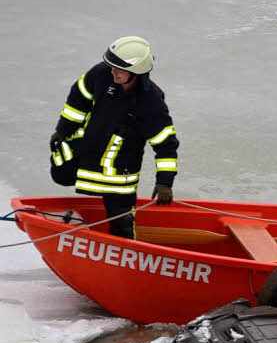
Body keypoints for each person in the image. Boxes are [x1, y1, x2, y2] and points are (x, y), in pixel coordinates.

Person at [49, 36, 179, 239]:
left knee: (122, 225)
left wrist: (164, 183)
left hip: (120, 173)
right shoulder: (101, 74)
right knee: (59, 173)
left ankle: (125, 257)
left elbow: (166, 145)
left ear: (136, 71)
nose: (112, 71)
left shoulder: (151, 103)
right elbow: (78, 97)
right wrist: (63, 129)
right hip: (88, 155)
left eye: (119, 68)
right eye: (111, 65)